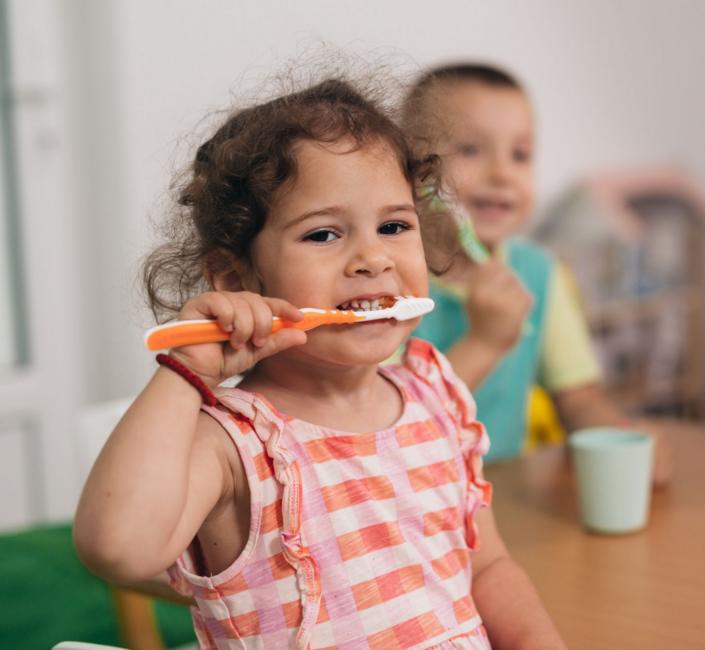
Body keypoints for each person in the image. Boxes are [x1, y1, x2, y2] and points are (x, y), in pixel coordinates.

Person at [73, 76, 565, 649]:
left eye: (394, 226)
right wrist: (188, 374)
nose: (372, 257)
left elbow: (488, 568)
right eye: (324, 233)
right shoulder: (234, 443)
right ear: (236, 278)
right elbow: (118, 546)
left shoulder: (438, 398)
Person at [400, 63, 673, 483]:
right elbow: (390, 430)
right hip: (402, 502)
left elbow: (579, 400)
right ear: (412, 170)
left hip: (504, 496)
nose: (502, 173)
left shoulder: (539, 273)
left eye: (520, 154)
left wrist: (620, 439)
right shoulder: (388, 280)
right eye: (471, 149)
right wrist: (484, 341)